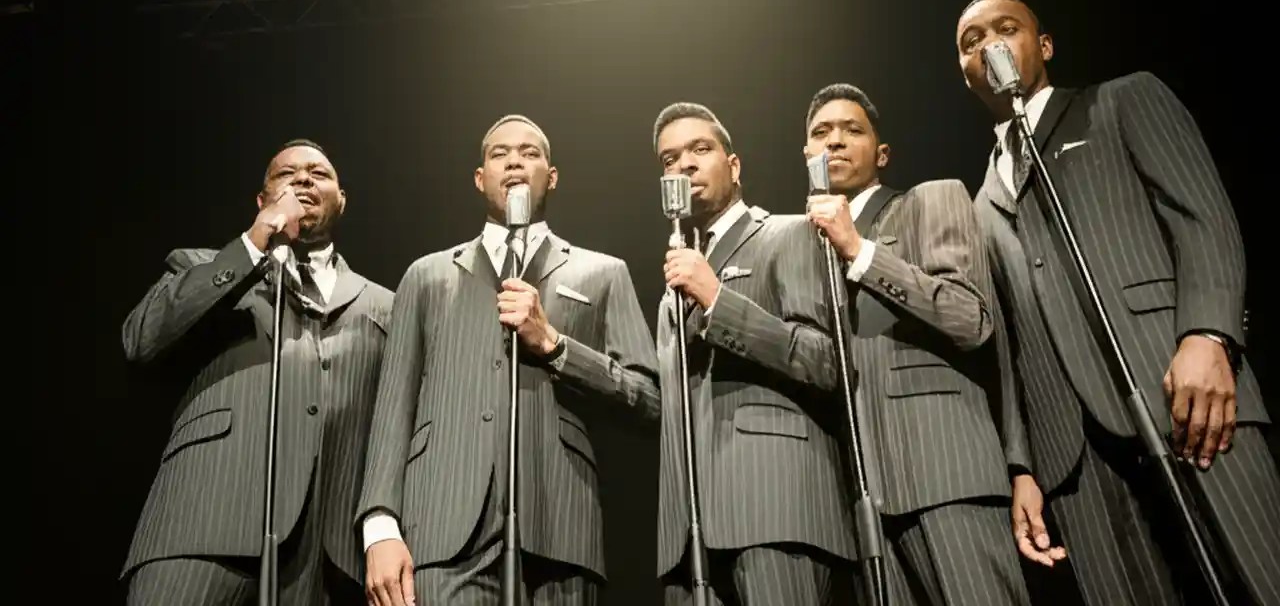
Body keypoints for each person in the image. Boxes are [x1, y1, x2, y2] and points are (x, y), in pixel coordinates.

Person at [959, 0, 1280, 606]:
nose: (989, 44)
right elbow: (1007, 346)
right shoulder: (978, 202)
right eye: (972, 41)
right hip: (1074, 455)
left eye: (1006, 29)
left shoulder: (1122, 100)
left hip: (1183, 395)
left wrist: (1209, 336)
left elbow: (1203, 218)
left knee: (1254, 581)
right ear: (965, 71)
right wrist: (1021, 465)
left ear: (1043, 45)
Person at [358, 114, 659, 606]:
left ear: (552, 175)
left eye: (529, 152)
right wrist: (379, 526)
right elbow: (393, 407)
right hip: (441, 523)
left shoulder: (602, 272)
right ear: (480, 179)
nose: (514, 160)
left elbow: (649, 399)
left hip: (559, 523)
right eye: (499, 153)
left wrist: (556, 346)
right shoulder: (427, 276)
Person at [120, 139, 394, 605]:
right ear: (262, 199)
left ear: (342, 199)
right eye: (287, 174)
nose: (304, 179)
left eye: (319, 173)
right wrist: (255, 242)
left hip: (323, 559)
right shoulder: (203, 266)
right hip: (201, 526)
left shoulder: (387, 306)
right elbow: (142, 339)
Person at [802, 83, 1032, 605]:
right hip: (856, 498)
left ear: (881, 154)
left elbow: (970, 318)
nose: (835, 142)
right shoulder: (797, 245)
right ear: (806, 156)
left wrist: (860, 252)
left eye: (852, 130)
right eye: (821, 133)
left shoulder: (931, 199)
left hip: (942, 471)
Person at [653, 102, 856, 605]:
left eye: (701, 149)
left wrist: (717, 299)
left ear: (735, 166)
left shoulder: (789, 234)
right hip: (689, 531)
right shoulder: (677, 277)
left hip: (776, 510)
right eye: (669, 158)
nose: (685, 164)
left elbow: (826, 361)